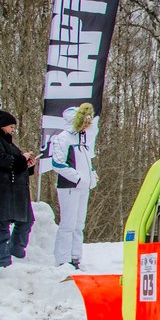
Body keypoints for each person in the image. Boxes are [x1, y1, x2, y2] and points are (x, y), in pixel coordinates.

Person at [0, 109, 35, 268]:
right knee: (1, 224)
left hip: (15, 192)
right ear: (2, 125)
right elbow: (2, 160)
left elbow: (16, 165)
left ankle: (16, 250)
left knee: (26, 220)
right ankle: (0, 261)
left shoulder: (7, 142)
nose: (13, 129)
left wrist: (27, 165)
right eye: (11, 126)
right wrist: (21, 159)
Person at [49, 103, 98, 268]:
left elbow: (86, 162)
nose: (86, 125)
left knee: (79, 224)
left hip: (83, 187)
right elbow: (57, 163)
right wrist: (77, 178)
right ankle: (63, 258)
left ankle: (75, 256)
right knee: (68, 223)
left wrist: (92, 175)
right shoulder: (63, 138)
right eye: (84, 122)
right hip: (69, 187)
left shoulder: (83, 140)